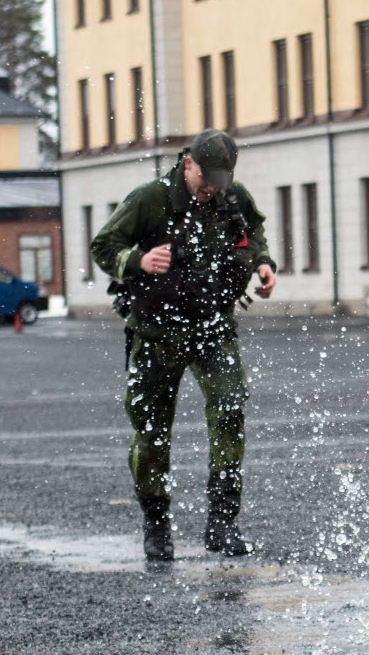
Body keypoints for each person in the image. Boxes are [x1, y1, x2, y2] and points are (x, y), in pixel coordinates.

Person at [91, 128, 277, 561]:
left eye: (220, 181)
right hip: (157, 333)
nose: (212, 189)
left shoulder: (233, 196)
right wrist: (137, 261)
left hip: (213, 326)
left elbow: (255, 232)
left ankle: (223, 523)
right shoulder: (150, 199)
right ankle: (156, 525)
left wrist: (264, 265)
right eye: (206, 179)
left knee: (231, 407)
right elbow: (103, 245)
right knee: (152, 431)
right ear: (188, 162)